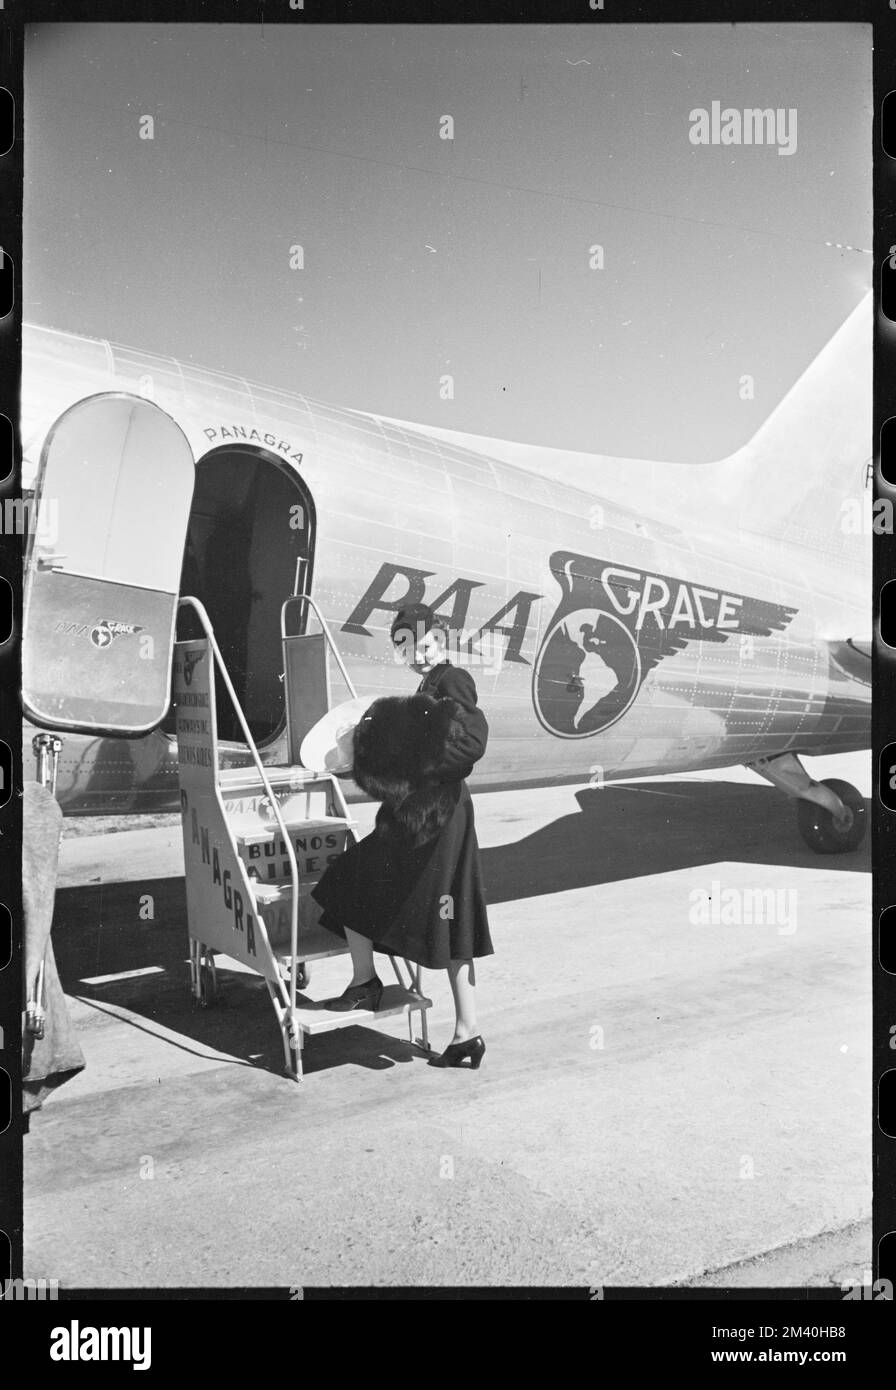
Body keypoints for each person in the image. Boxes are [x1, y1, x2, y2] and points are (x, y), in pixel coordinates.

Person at [310, 603, 493, 1068]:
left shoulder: (452, 679)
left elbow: (470, 745)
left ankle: (372, 985)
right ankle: (460, 1029)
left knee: (365, 885)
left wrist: (410, 756)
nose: (418, 655)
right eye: (407, 650)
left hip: (440, 821)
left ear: (442, 638)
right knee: (373, 888)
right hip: (425, 819)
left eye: (425, 644)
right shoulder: (427, 686)